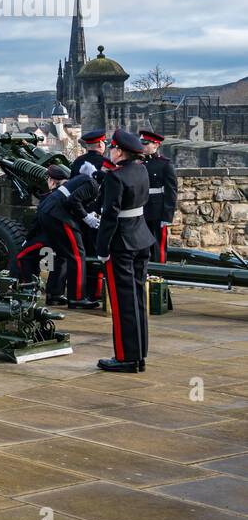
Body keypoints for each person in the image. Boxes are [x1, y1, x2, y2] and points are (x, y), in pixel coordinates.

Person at [96, 130, 154, 373]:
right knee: (138, 299)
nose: (110, 150)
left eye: (112, 148)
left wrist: (102, 248)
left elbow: (110, 216)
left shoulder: (115, 178)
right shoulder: (141, 169)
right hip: (141, 237)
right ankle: (139, 354)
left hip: (121, 243)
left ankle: (126, 357)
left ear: (119, 151)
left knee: (123, 303)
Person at [15, 164, 99, 309]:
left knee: (63, 255)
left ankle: (54, 294)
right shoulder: (90, 184)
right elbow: (74, 201)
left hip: (52, 216)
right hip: (58, 217)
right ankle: (77, 298)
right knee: (77, 256)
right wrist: (86, 217)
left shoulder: (66, 188)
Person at [67, 128, 108, 303]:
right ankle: (95, 292)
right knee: (97, 252)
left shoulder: (77, 162)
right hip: (96, 213)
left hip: (78, 212)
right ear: (100, 144)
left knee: (79, 253)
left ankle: (79, 290)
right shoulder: (107, 163)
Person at [140, 130, 177, 263]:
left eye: (146, 143)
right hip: (140, 209)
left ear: (156, 145)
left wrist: (167, 216)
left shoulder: (165, 164)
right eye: (141, 143)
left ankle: (158, 275)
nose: (142, 146)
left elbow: (171, 192)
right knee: (142, 245)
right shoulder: (138, 163)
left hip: (157, 211)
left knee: (158, 246)